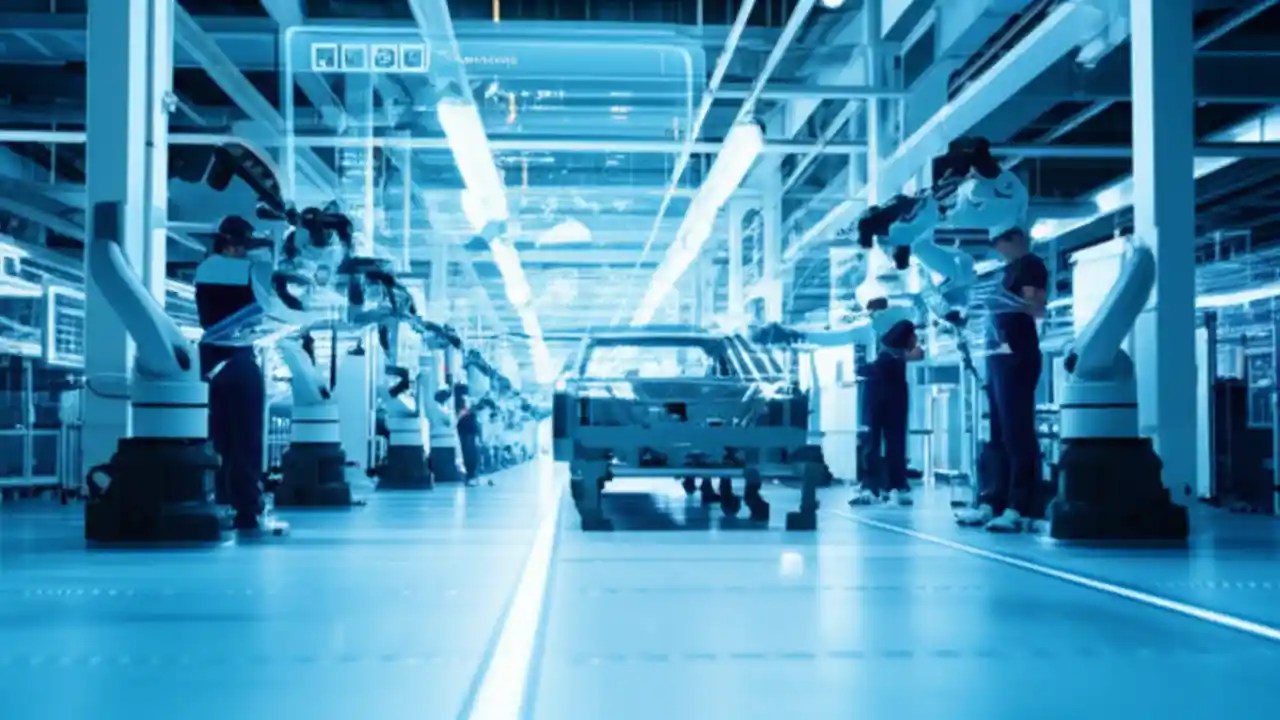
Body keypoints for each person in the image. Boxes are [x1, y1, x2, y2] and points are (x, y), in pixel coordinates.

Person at [957, 227, 1048, 532]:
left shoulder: (1031, 265)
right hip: (997, 355)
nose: (998, 250)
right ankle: (992, 500)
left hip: (1018, 356)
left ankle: (1019, 505)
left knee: (1016, 431)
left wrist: (1005, 302)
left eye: (1001, 244)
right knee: (996, 432)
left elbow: (1036, 308)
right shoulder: (1005, 271)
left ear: (1015, 238)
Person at [194, 215, 273, 533]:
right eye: (240, 248)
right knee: (244, 438)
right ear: (227, 245)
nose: (244, 255)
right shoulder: (224, 271)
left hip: (214, 360)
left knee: (224, 438)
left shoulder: (207, 271)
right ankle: (245, 507)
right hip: (235, 358)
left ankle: (228, 501)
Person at [850, 318, 924, 507]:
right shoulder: (892, 360)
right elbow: (915, 354)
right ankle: (888, 485)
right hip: (889, 397)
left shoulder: (891, 358)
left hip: (881, 396)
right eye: (913, 336)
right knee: (885, 442)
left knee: (877, 442)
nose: (916, 340)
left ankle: (878, 485)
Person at [425, 388, 463, 484]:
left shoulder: (443, 409)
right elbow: (450, 422)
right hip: (440, 438)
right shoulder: (438, 409)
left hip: (446, 439)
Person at [455, 386, 484, 487]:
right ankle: (471, 476)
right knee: (470, 456)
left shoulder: (467, 413)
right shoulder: (467, 414)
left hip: (467, 435)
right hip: (468, 435)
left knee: (470, 456)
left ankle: (471, 476)